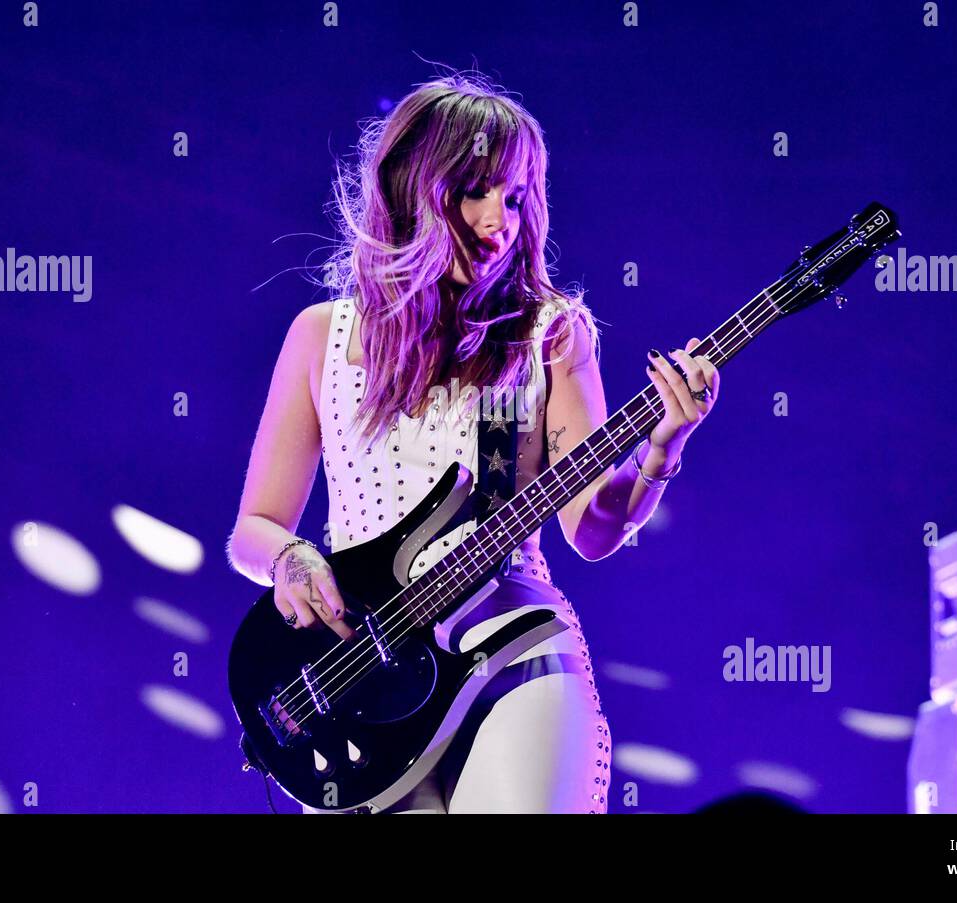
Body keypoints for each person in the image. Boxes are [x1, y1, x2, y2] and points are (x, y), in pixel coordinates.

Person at [228, 72, 718, 813]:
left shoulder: (549, 335)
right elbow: (252, 531)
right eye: (475, 191)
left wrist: (660, 452)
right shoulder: (318, 338)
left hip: (514, 648)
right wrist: (293, 559)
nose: (500, 221)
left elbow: (591, 530)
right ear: (412, 191)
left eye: (518, 197)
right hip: (367, 675)